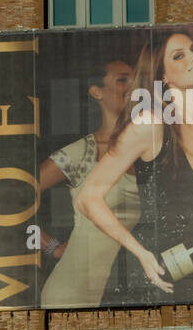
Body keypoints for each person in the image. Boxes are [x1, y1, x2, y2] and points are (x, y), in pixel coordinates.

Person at [76, 31, 193, 302]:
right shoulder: (150, 126)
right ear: (162, 77)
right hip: (151, 280)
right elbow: (88, 198)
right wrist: (141, 253)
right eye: (179, 56)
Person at [37, 57, 139, 307]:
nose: (133, 86)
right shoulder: (81, 154)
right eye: (122, 80)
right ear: (96, 92)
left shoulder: (148, 149)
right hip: (69, 297)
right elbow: (12, 201)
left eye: (135, 80)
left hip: (117, 298)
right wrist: (53, 248)